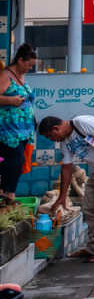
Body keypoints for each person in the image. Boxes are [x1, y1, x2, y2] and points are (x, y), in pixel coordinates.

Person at [39, 114, 94, 262]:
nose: (51, 140)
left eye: (50, 136)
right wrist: (62, 197)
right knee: (89, 208)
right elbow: (66, 168)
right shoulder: (65, 142)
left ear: (56, 128)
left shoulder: (81, 122)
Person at [0, 45, 37, 199]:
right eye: (28, 65)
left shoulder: (21, 76)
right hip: (8, 131)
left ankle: (8, 192)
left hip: (23, 131)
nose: (29, 68)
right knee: (15, 160)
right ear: (20, 60)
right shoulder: (5, 75)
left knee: (18, 161)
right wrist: (11, 100)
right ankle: (7, 193)